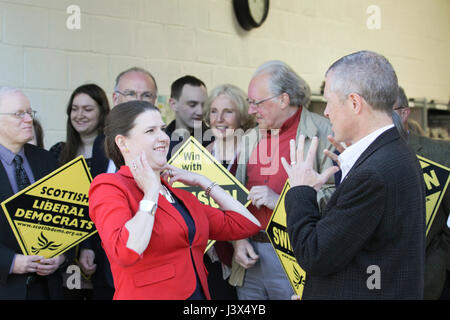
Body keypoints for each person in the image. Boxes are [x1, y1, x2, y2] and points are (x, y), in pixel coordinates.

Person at [283, 50, 426, 299]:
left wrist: (300, 191)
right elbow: (365, 247)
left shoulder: (373, 173)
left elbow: (314, 254)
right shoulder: (395, 151)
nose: (326, 112)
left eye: (329, 101)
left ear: (354, 103)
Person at [88, 100, 261, 300]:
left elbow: (247, 223)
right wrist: (151, 191)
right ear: (123, 142)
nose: (163, 137)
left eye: (162, 129)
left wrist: (204, 182)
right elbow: (125, 251)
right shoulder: (110, 186)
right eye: (150, 131)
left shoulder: (179, 194)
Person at [232, 60, 335, 300]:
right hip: (249, 257)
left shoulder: (326, 132)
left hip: (295, 253)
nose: (250, 111)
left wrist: (281, 201)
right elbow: (234, 196)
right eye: (249, 103)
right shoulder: (249, 138)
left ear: (284, 99)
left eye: (257, 103)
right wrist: (238, 240)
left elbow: (336, 199)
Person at [87, 67, 158, 299]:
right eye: (130, 94)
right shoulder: (100, 144)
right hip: (101, 267)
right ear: (115, 98)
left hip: (147, 273)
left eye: (146, 96)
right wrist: (88, 247)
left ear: (155, 101)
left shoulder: (167, 145)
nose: (138, 101)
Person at [0, 87, 67, 299]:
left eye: (30, 112)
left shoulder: (46, 160)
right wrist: (10, 261)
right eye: (19, 114)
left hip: (47, 288)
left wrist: (62, 255)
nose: (29, 119)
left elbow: (67, 215)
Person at [49, 83, 110, 299]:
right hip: (66, 253)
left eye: (87, 109)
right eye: (74, 109)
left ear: (102, 112)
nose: (79, 115)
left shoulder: (113, 154)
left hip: (104, 249)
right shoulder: (58, 152)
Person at [393, 86, 450, 300]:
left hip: (429, 279)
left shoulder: (441, 155)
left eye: (386, 113)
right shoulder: (357, 154)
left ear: (405, 113)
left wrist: (440, 261)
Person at [202, 84, 256, 299]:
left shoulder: (254, 152)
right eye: (214, 111)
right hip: (212, 251)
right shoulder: (202, 153)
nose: (219, 119)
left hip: (248, 251)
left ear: (241, 116)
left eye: (228, 112)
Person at [166, 75, 211, 159]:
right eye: (192, 105)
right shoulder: (159, 142)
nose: (200, 112)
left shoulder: (216, 142)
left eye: (204, 105)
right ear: (173, 104)